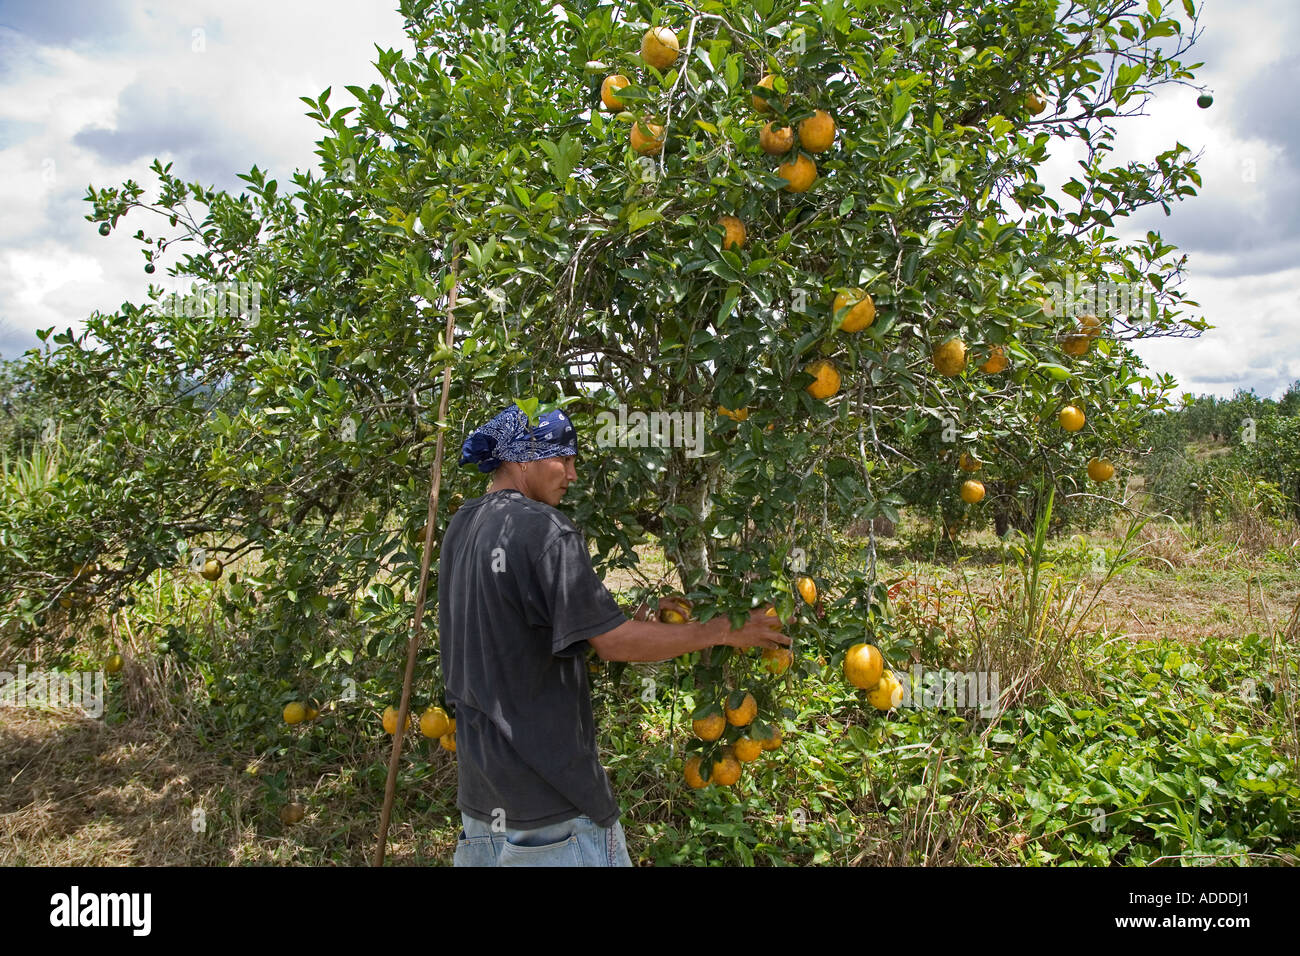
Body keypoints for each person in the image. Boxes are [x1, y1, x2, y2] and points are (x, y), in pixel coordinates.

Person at [440, 402, 790, 866]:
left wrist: (626, 616)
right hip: (551, 802)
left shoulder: (463, 525)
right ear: (522, 458)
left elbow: (518, 622)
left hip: (484, 800)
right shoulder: (546, 530)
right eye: (562, 459)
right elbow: (613, 644)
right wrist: (722, 630)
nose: (572, 474)